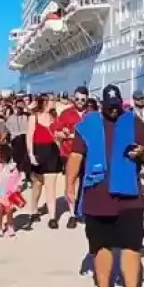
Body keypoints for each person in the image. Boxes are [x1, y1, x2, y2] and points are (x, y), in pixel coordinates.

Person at [65, 84, 144, 287]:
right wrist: (69, 184)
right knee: (101, 246)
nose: (113, 110)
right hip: (97, 195)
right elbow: (76, 155)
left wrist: (141, 153)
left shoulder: (133, 121)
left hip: (130, 197)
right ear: (102, 104)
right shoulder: (88, 125)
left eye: (116, 106)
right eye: (109, 106)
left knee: (131, 245)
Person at [53, 86, 91, 229]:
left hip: (88, 154)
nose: (80, 102)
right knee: (71, 182)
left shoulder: (92, 114)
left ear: (87, 99)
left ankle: (83, 210)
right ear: (73, 98)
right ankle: (72, 214)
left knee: (86, 182)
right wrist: (61, 134)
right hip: (69, 153)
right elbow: (55, 131)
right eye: (77, 99)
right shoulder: (66, 113)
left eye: (83, 99)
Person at [27, 95, 62, 229]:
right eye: (51, 101)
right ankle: (34, 209)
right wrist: (30, 154)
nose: (54, 102)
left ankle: (52, 217)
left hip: (52, 152)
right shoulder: (33, 117)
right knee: (37, 184)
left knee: (50, 185)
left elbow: (58, 136)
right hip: (38, 152)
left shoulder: (55, 117)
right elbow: (29, 137)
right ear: (45, 103)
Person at [0, 143, 23, 238]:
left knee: (9, 210)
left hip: (9, 193)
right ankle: (0, 228)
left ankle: (10, 226)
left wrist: (18, 187)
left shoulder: (12, 167)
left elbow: (18, 178)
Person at [5, 101, 31, 187]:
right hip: (15, 139)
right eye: (17, 107)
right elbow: (7, 129)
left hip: (25, 138)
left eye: (21, 107)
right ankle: (19, 176)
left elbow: (32, 114)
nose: (19, 109)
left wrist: (26, 107)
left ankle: (27, 176)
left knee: (26, 158)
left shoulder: (26, 116)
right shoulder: (11, 118)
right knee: (17, 158)